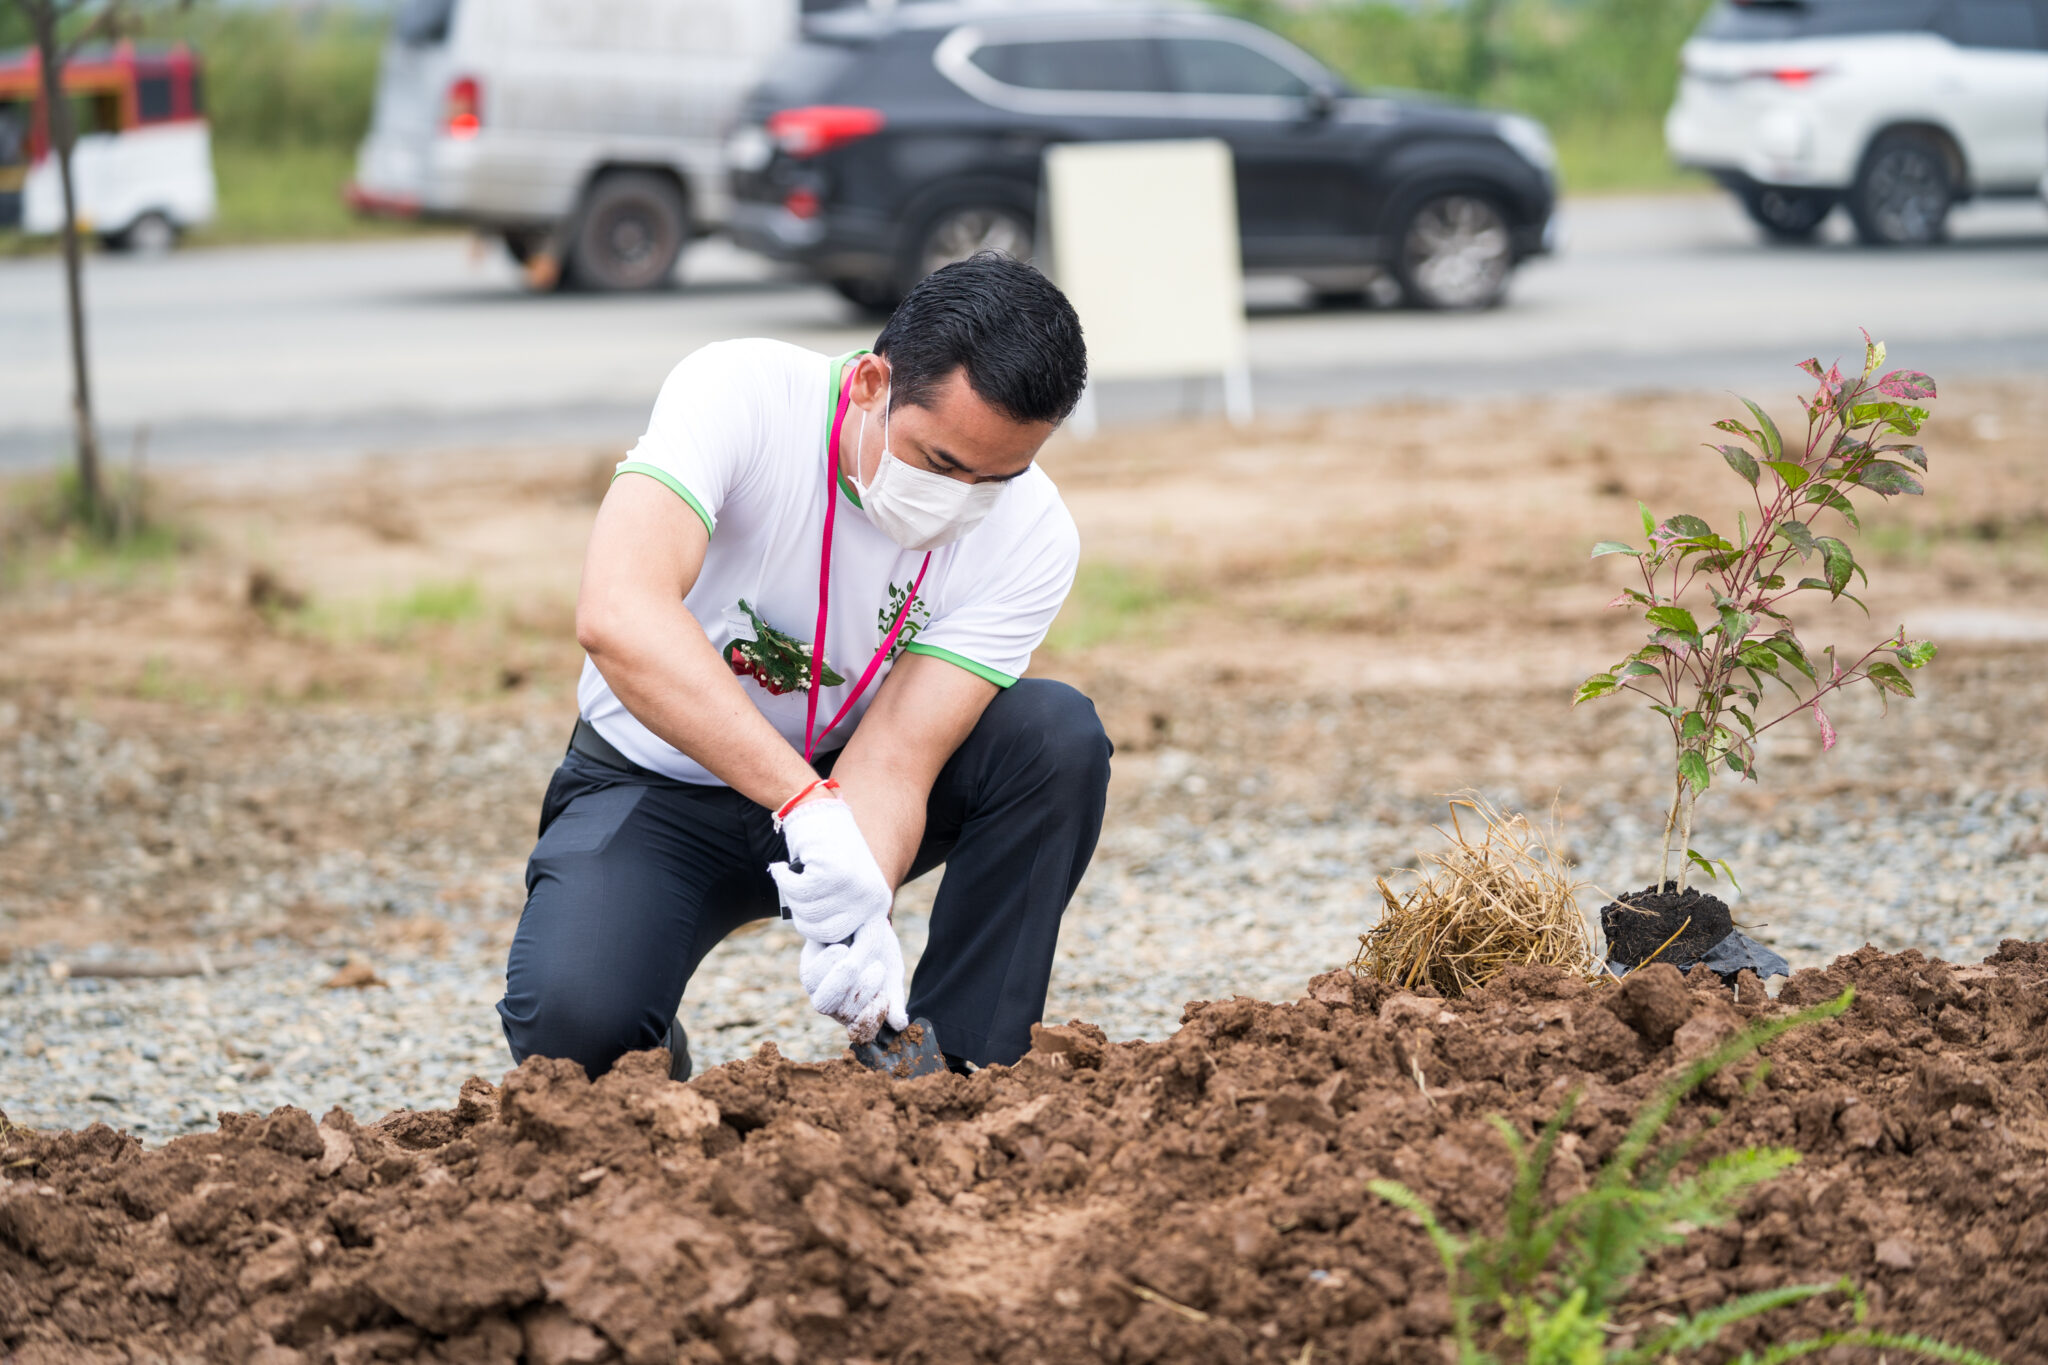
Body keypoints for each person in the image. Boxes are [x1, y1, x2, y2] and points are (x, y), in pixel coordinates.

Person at [497, 253, 1111, 1081]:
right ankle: (645, 1050)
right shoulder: (741, 392)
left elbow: (900, 754)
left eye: (995, 479)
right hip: (659, 782)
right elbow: (618, 612)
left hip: (848, 783)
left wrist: (861, 909)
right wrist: (802, 802)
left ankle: (954, 1075)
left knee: (1053, 734)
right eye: (940, 464)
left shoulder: (1034, 534)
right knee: (575, 1030)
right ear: (870, 384)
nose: (961, 502)